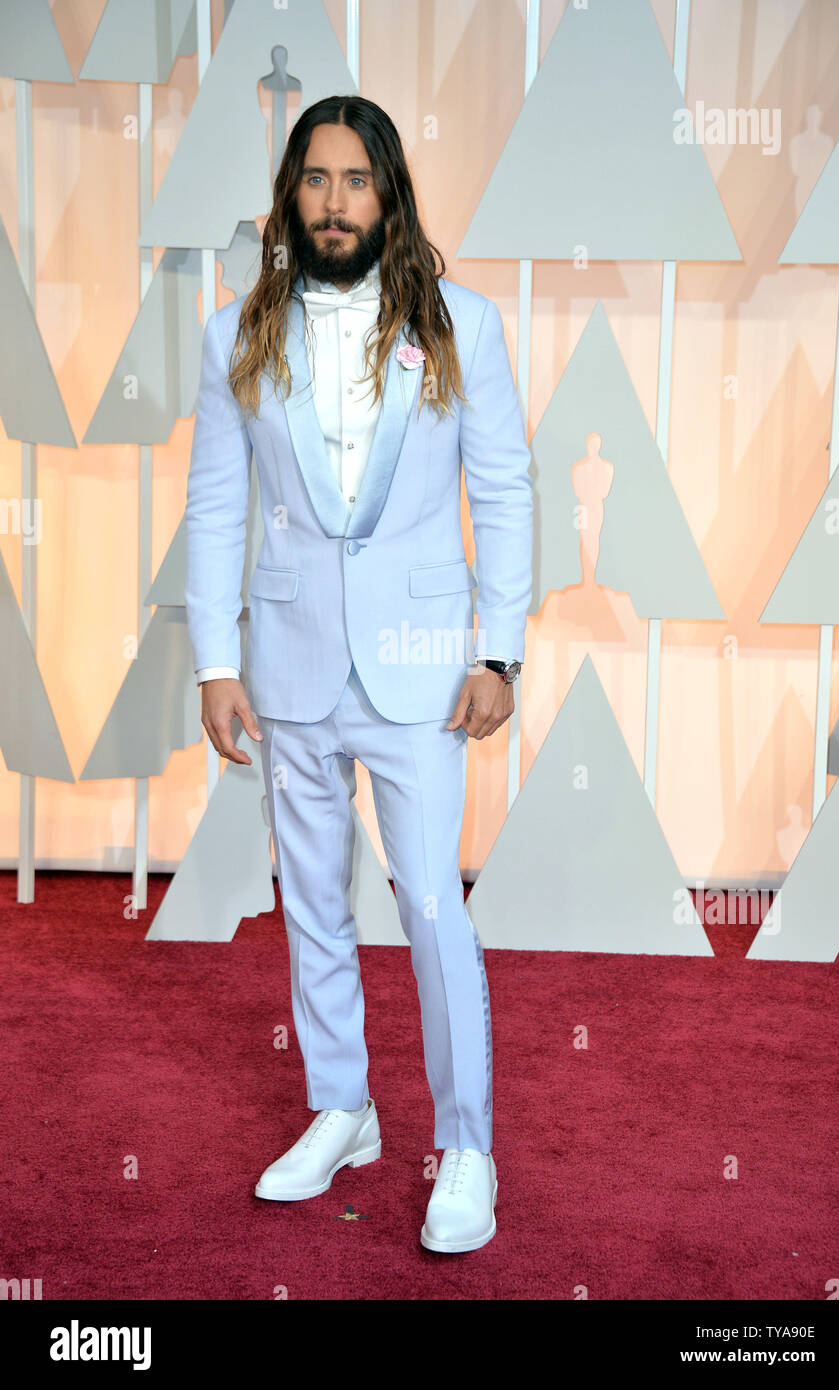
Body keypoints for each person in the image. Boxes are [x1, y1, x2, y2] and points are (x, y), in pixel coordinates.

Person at [184, 94, 532, 1253]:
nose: (335, 204)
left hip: (426, 669)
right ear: (292, 195)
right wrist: (215, 661)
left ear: (389, 194)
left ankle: (466, 1144)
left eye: (356, 181)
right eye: (316, 180)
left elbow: (504, 490)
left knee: (430, 904)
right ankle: (343, 1108)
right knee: (313, 908)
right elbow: (216, 503)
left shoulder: (462, 326)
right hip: (286, 665)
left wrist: (498, 647)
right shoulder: (237, 333)